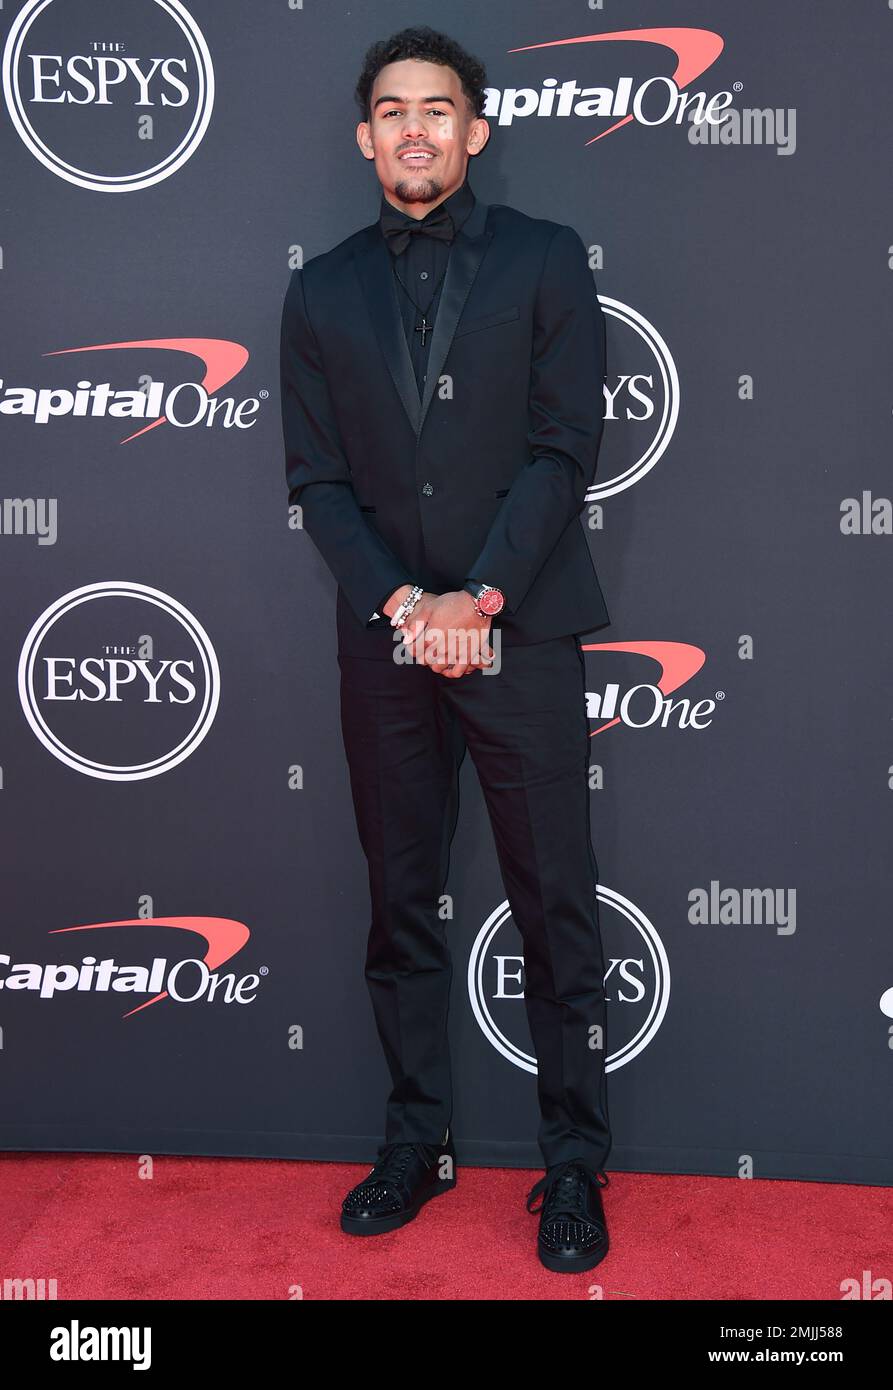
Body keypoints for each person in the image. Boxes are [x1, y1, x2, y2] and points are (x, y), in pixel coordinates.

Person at [279, 25, 613, 1273]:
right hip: (384, 648)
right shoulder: (319, 288)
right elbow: (314, 482)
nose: (414, 126)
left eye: (438, 107)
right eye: (391, 109)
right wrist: (403, 606)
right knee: (398, 906)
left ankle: (573, 1161)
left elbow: (560, 447)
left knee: (555, 909)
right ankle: (415, 1142)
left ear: (475, 130)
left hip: (516, 632)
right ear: (366, 136)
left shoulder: (544, 259)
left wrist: (471, 599)